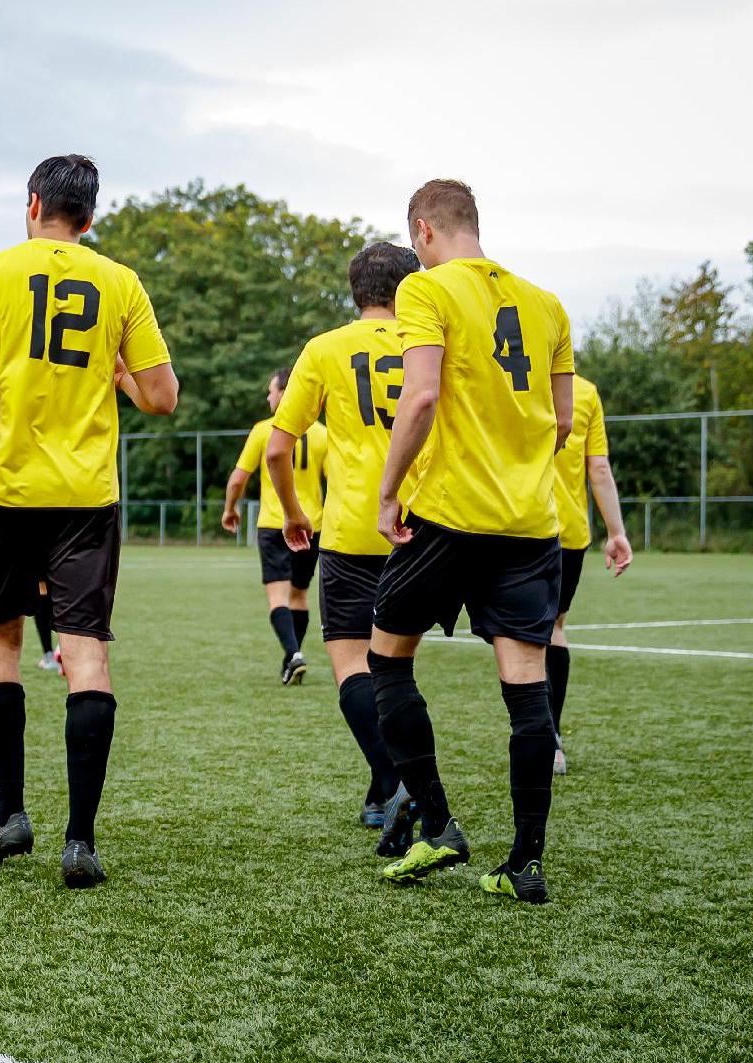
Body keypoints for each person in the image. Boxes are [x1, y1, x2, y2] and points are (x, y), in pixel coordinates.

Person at [0, 154, 179, 889]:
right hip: (86, 498)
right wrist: (116, 371)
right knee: (87, 658)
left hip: (9, 493)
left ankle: (10, 813)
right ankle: (80, 841)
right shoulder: (120, 282)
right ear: (92, 217)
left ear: (32, 203)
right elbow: (162, 399)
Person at [367, 179, 575, 905]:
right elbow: (565, 420)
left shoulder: (427, 291)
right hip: (529, 522)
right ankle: (525, 863)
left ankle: (440, 824)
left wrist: (390, 491)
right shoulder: (547, 304)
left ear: (423, 232)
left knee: (386, 656)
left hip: (450, 514)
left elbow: (421, 396)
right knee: (526, 686)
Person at [266, 242, 421, 839]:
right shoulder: (429, 345)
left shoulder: (325, 348)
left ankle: (398, 778)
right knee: (397, 668)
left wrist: (294, 512)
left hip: (353, 527)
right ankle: (384, 789)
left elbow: (280, 446)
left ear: (355, 292)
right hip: (420, 526)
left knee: (353, 666)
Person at [549, 374, 634, 772]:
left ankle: (534, 734)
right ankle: (551, 742)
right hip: (567, 532)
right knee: (554, 628)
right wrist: (616, 532)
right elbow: (598, 468)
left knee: (516, 638)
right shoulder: (583, 393)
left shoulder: (505, 381)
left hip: (509, 524)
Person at [222, 371, 327, 684]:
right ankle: (291, 657)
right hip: (312, 525)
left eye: (271, 392)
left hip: (274, 524)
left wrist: (230, 509)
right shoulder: (322, 433)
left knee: (278, 598)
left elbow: (239, 478)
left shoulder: (264, 431)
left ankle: (293, 655)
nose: (268, 398)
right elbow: (337, 480)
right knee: (300, 596)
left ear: (284, 394)